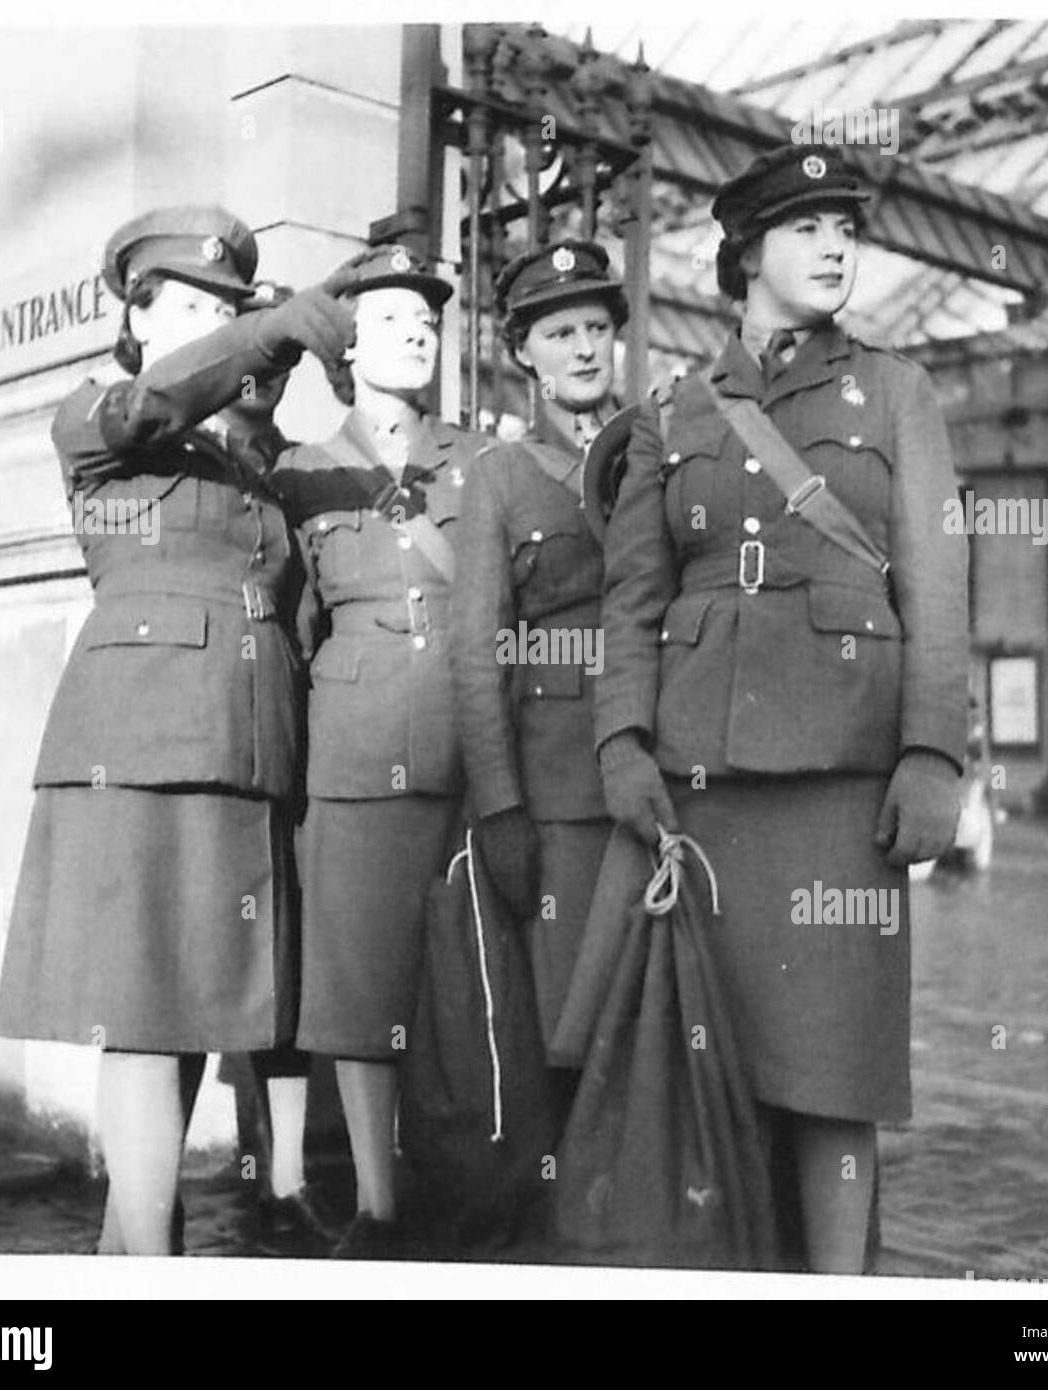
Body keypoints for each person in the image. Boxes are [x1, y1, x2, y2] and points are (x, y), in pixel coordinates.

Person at [592, 146, 969, 1274]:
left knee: (832, 1074)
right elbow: (630, 600)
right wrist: (620, 741)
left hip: (841, 791)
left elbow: (938, 580)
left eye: (845, 227)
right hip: (701, 792)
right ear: (745, 253)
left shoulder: (895, 392)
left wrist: (931, 754)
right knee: (716, 1069)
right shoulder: (673, 410)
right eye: (805, 227)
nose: (835, 245)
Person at [0, 205, 355, 1255]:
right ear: (138, 319)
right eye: (191, 308)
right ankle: (150, 1257)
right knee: (147, 1015)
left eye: (224, 309)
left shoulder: (249, 466)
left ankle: (130, 1252)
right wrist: (269, 326)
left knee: (196, 1012)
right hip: (139, 752)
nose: (211, 327)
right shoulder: (102, 422)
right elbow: (158, 402)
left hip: (244, 756)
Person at [268, 243, 488, 1259]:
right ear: (346, 342)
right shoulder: (304, 475)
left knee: (462, 985)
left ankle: (470, 1177)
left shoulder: (483, 462)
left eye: (427, 320)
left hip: (471, 751)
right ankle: (376, 1201)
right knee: (360, 988)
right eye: (391, 316)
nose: (414, 332)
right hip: (353, 756)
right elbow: (296, 625)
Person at [450, 240, 627, 1102]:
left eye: (597, 327)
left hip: (668, 787)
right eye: (560, 332)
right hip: (562, 801)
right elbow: (477, 658)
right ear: (522, 351)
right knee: (568, 1031)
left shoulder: (659, 459)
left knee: (659, 1029)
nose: (585, 348)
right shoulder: (503, 478)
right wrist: (503, 808)